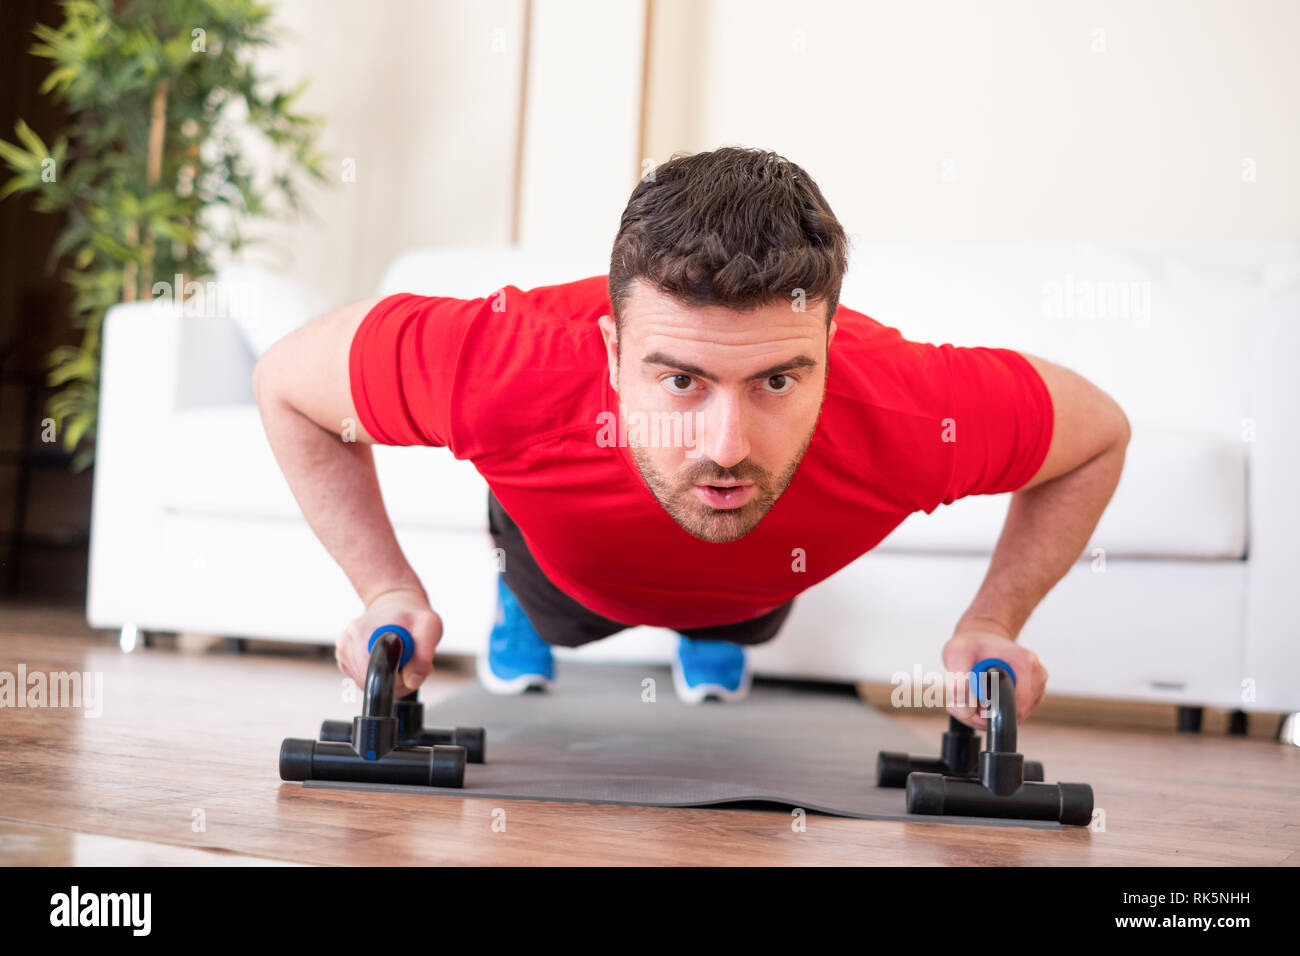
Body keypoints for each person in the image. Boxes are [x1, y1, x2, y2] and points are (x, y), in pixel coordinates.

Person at [253, 146, 1130, 720]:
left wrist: (994, 618)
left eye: (778, 380)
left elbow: (1097, 435)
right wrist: (383, 592)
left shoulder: (909, 404)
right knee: (552, 596)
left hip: (753, 589)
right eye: (681, 379)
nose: (726, 443)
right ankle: (519, 600)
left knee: (740, 606)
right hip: (566, 580)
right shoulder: (508, 361)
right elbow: (289, 385)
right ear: (611, 348)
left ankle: (707, 625)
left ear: (830, 344)